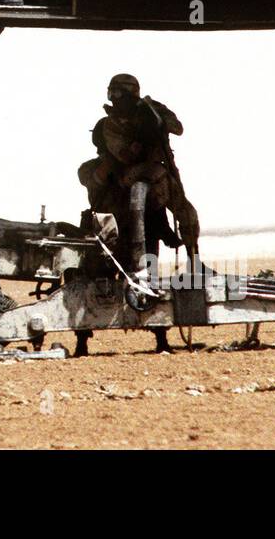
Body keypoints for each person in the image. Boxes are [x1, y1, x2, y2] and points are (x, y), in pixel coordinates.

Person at [77, 73, 200, 353]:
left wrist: (153, 113)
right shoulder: (103, 141)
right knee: (97, 281)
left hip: (145, 219)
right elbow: (121, 161)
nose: (114, 99)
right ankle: (82, 341)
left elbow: (176, 128)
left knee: (152, 271)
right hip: (113, 228)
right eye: (113, 94)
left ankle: (162, 337)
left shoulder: (150, 114)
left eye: (119, 94)